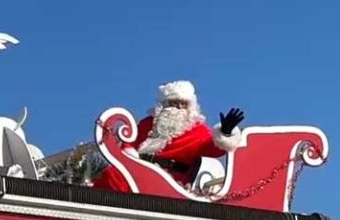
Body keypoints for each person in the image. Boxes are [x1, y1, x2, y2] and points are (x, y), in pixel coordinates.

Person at [92, 80, 245, 193]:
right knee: (113, 175)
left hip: (171, 181)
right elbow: (128, 146)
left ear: (191, 107)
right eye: (173, 103)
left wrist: (225, 132)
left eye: (182, 104)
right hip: (140, 171)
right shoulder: (147, 124)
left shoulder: (197, 129)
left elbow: (214, 148)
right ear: (163, 106)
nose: (177, 108)